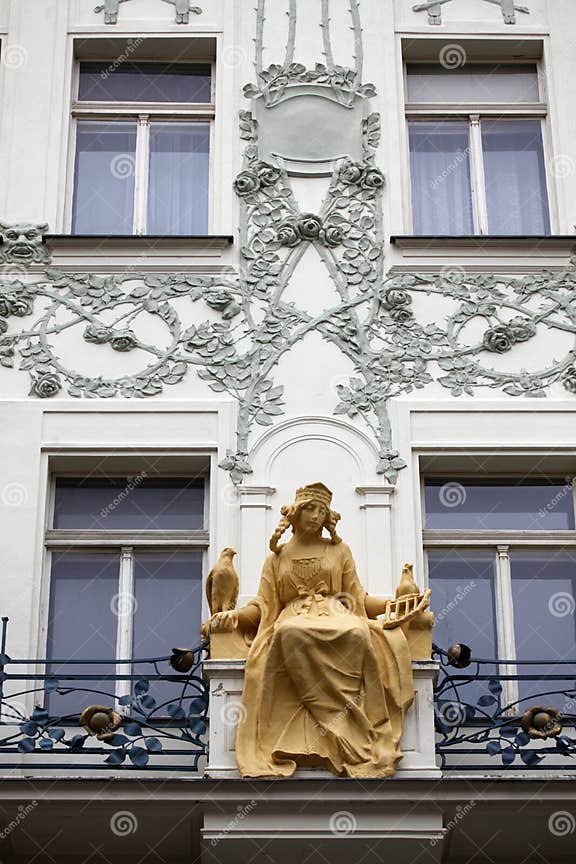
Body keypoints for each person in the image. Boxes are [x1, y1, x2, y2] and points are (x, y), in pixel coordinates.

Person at [206, 482, 418, 778]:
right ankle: (338, 725)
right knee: (288, 632)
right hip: (295, 618)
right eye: (310, 509)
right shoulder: (277, 558)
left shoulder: (340, 550)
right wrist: (235, 616)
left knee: (359, 633)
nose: (316, 516)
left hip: (338, 614)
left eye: (322, 511)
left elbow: (358, 599)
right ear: (295, 514)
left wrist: (394, 604)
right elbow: (264, 606)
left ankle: (352, 724)